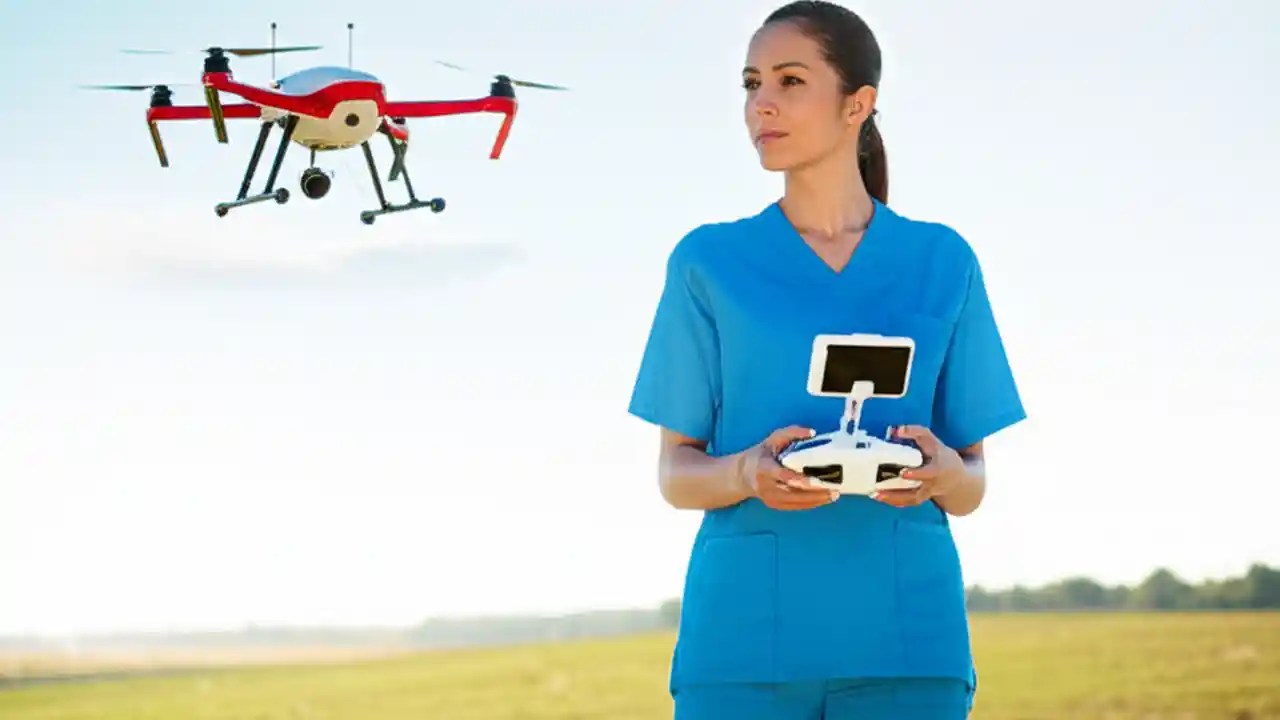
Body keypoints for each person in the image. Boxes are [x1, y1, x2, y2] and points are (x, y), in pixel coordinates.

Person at [626, 2, 1027, 718]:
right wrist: (747, 472)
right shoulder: (708, 263)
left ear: (858, 104)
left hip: (908, 647)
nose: (761, 104)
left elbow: (972, 482)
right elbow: (675, 473)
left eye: (789, 80)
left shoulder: (942, 261)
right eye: (751, 84)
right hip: (744, 649)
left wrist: (942, 472)